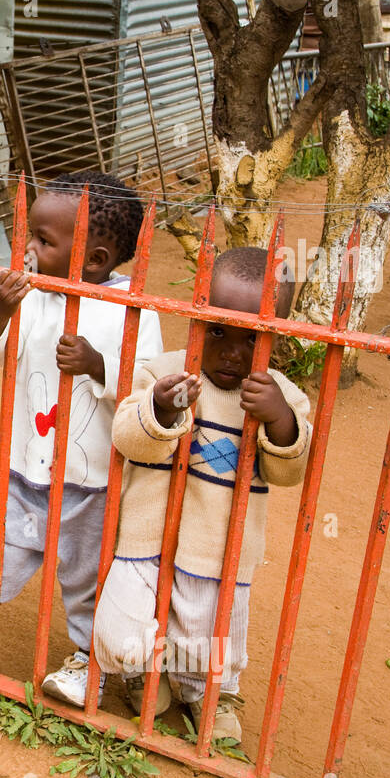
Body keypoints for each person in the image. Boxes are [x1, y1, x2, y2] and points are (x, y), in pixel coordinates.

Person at [0, 172, 164, 707]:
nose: (28, 247)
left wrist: (98, 364)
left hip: (89, 481)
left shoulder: (134, 311)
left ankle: (86, 659)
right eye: (31, 233)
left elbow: (142, 388)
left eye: (43, 240)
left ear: (95, 260)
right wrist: (0, 310)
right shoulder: (33, 293)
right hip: (24, 465)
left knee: (84, 575)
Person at [92, 246, 311, 741]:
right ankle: (143, 672)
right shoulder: (163, 371)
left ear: (277, 337)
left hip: (219, 553)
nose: (232, 352)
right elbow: (127, 438)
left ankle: (208, 696)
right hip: (145, 541)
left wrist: (278, 419)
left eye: (250, 337)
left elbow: (288, 471)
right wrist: (162, 411)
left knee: (209, 643)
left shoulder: (281, 395)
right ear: (197, 314)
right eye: (217, 331)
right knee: (121, 632)